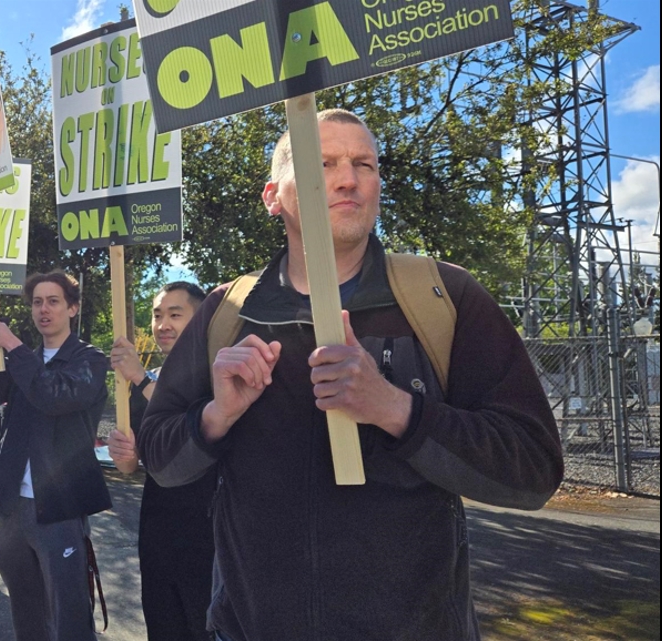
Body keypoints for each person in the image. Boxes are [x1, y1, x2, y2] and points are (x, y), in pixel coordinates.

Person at [138, 109, 564, 641]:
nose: (348, 178)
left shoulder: (444, 297)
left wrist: (395, 410)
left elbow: (533, 470)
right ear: (273, 196)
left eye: (364, 163)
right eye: (324, 163)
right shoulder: (227, 312)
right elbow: (160, 457)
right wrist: (215, 416)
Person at [0, 272, 111, 641]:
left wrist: (12, 343)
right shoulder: (18, 359)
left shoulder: (89, 360)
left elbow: (53, 396)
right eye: (37, 302)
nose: (44, 309)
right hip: (11, 505)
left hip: (58, 506)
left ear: (72, 308)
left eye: (54, 301)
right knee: (25, 610)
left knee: (69, 616)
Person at [107, 281, 212, 641]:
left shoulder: (215, 370)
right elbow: (132, 466)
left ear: (200, 320)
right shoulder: (151, 381)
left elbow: (192, 425)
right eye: (157, 315)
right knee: (163, 623)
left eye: (175, 314)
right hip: (157, 527)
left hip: (207, 529)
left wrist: (139, 376)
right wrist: (126, 456)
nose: (163, 324)